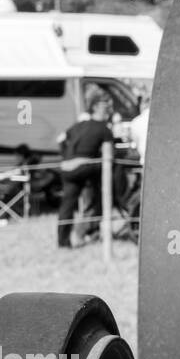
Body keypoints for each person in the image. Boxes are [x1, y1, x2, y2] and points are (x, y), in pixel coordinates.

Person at [57, 96, 114, 249]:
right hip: (84, 169)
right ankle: (88, 230)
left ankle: (63, 242)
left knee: (67, 205)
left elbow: (60, 139)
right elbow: (109, 157)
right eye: (105, 106)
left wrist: (66, 157)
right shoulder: (104, 129)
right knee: (99, 195)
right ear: (95, 107)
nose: (108, 109)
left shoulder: (79, 125)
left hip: (66, 168)